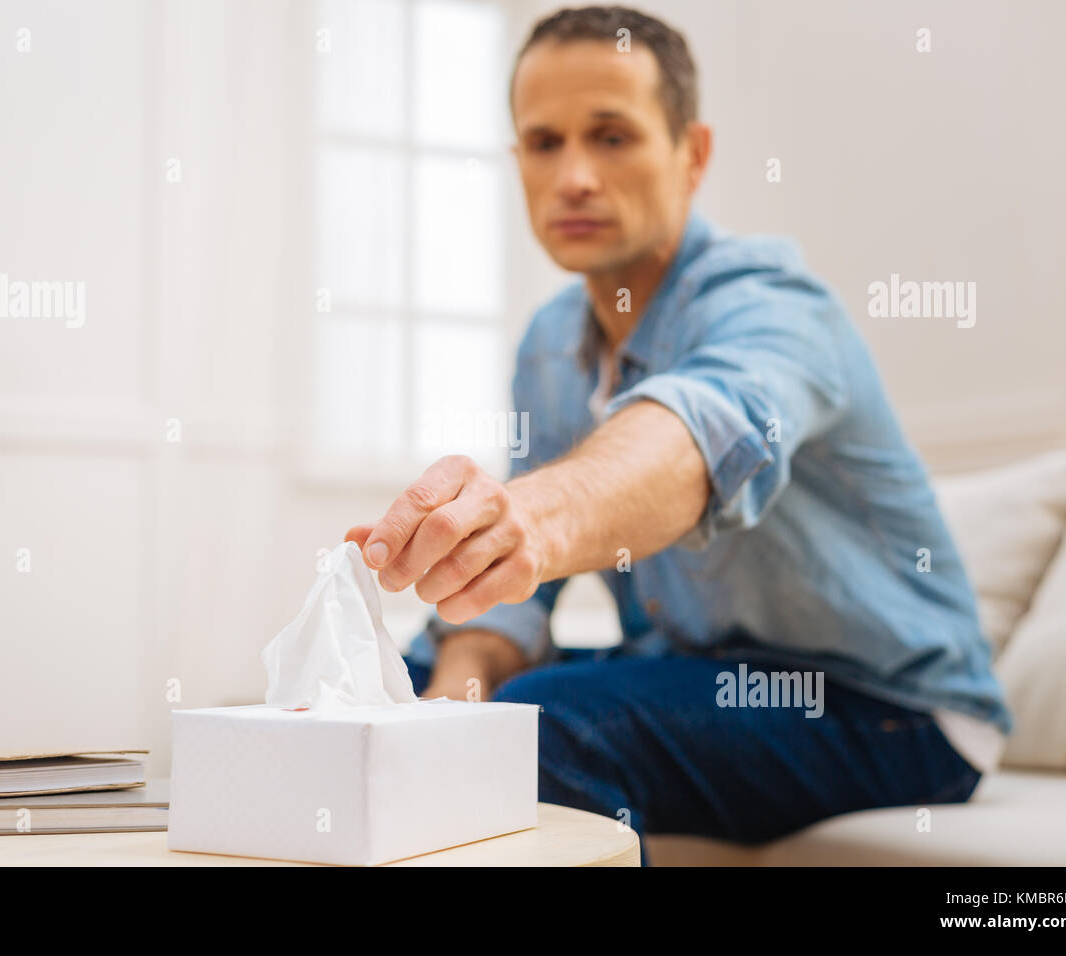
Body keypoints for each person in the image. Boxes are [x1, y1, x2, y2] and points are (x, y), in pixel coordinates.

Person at [344, 4, 1010, 859]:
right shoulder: (551, 344)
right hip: (698, 674)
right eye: (544, 143)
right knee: (373, 705)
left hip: (887, 708)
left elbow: (695, 437)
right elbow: (518, 605)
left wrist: (528, 521)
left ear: (692, 155)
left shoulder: (773, 303)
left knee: (549, 731)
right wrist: (446, 699)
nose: (574, 176)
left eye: (612, 136)